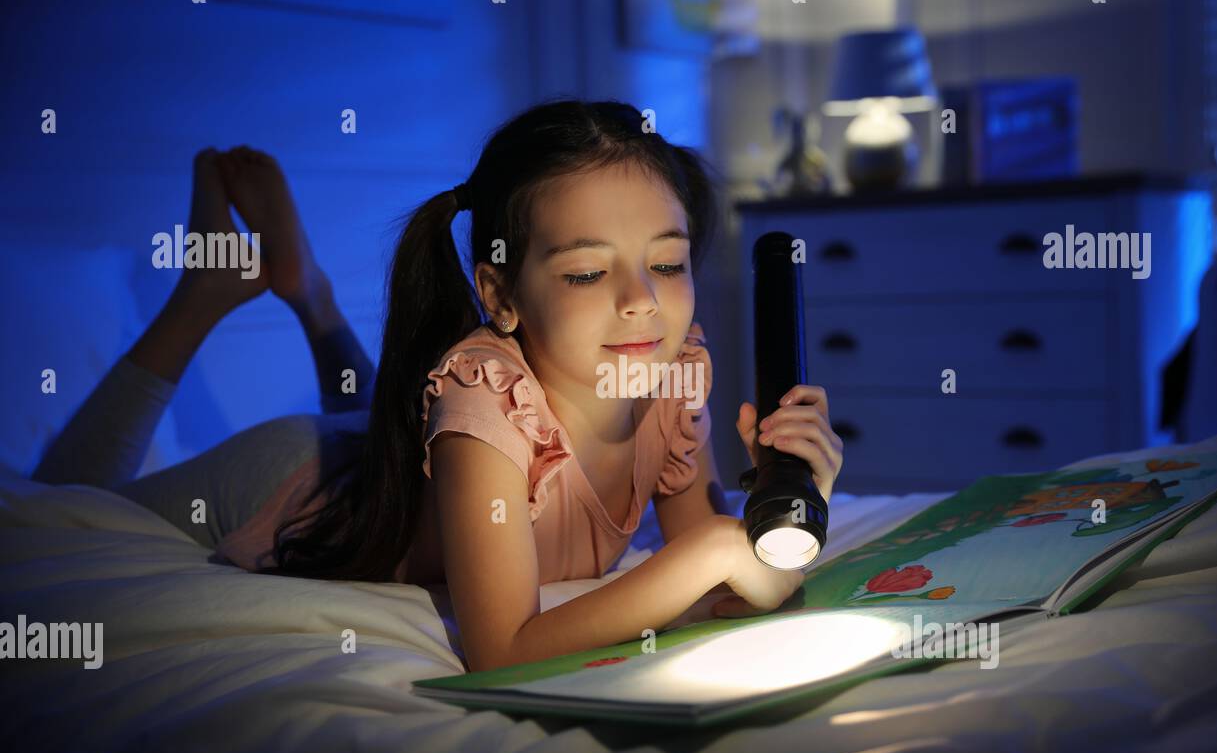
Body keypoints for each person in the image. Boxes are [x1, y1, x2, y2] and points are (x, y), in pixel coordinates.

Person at [33, 99, 845, 673]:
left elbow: (715, 572)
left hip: (394, 456)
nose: (642, 299)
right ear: (498, 296)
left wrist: (785, 495)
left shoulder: (668, 371)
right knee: (55, 511)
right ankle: (202, 295)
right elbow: (501, 648)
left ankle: (309, 296)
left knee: (379, 412)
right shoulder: (479, 401)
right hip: (298, 478)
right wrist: (714, 548)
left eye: (668, 263)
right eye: (589, 271)